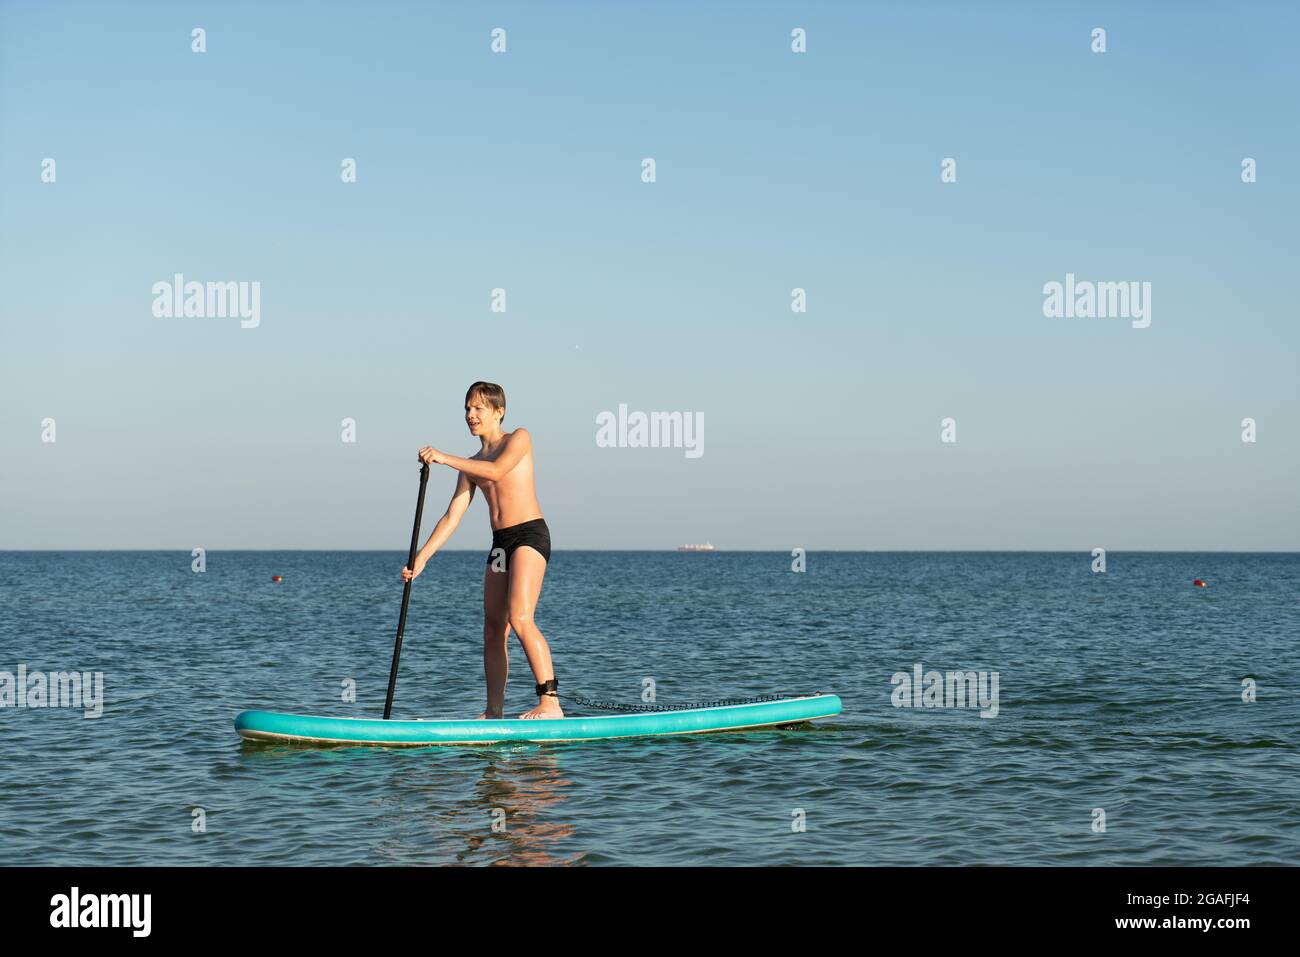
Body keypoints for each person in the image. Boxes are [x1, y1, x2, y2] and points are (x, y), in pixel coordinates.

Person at [400, 381, 561, 720]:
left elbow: (497, 471)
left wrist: (444, 457)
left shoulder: (519, 438)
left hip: (529, 536)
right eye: (467, 409)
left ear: (499, 412)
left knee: (520, 617)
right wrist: (422, 558)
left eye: (478, 409)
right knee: (493, 630)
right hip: (501, 544)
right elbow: (452, 515)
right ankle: (494, 710)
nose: (470, 415)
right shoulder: (471, 464)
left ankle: (550, 702)